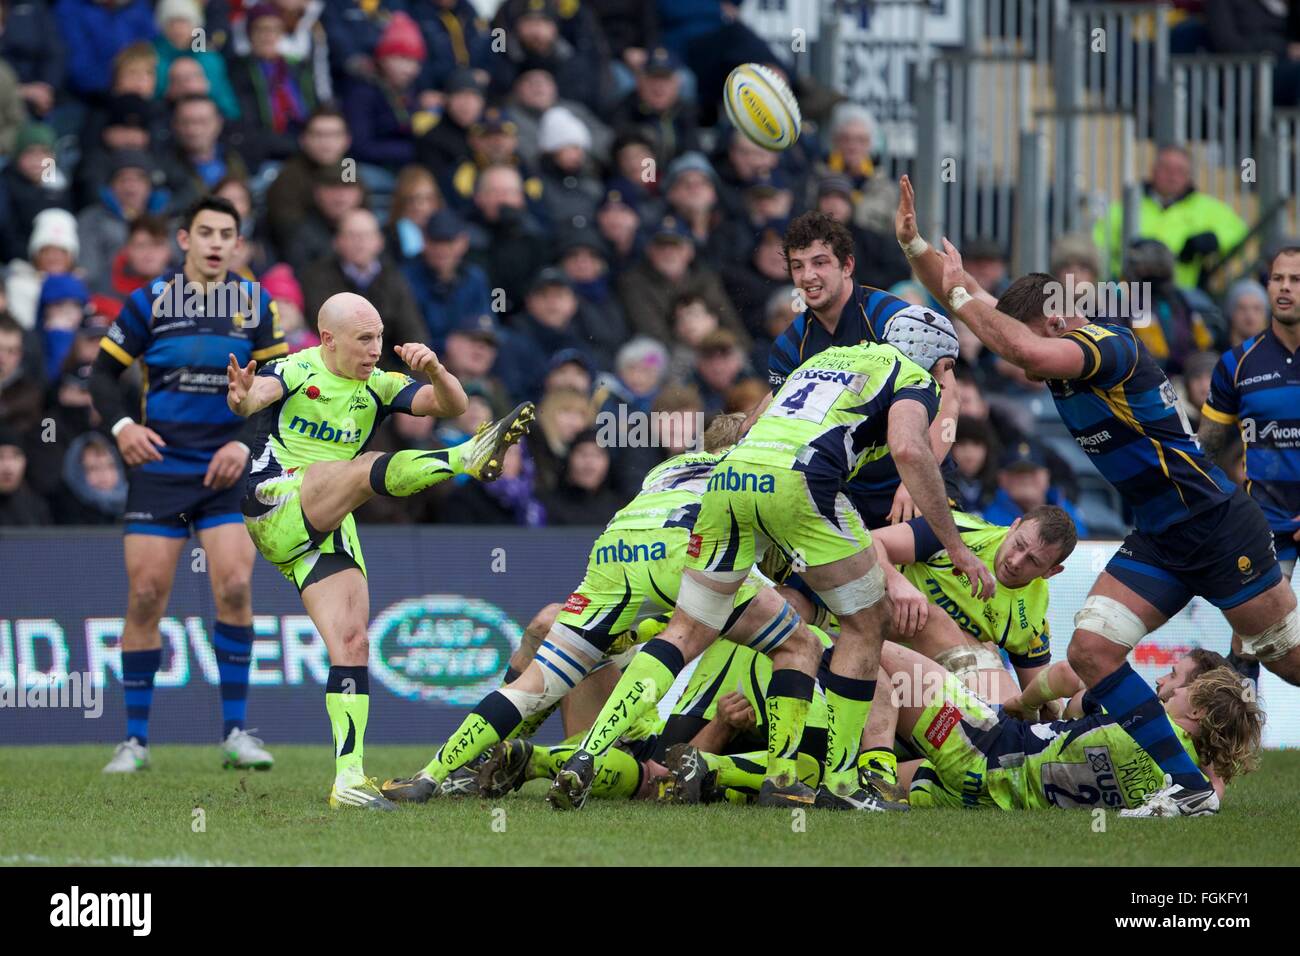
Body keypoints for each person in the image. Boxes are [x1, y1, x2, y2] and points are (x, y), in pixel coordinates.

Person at [900, 173, 1300, 817]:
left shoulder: (1104, 345)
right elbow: (983, 311)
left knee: (1288, 662)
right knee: (1089, 650)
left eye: (1034, 349)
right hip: (1161, 536)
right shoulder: (1054, 339)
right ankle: (1191, 789)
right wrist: (917, 245)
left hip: (1217, 524)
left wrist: (964, 293)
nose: (1027, 372)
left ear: (1057, 320)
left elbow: (1013, 339)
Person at [552, 328, 995, 813]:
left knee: (686, 630)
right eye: (949, 366)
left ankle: (587, 753)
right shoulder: (911, 375)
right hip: (797, 483)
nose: (948, 379)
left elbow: (753, 424)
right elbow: (911, 451)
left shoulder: (820, 359)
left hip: (734, 482)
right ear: (930, 357)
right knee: (865, 624)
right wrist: (955, 549)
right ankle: (841, 782)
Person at [379, 412, 825, 806]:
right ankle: (782, 780)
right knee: (798, 643)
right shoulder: (755, 466)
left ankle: (430, 775)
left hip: (616, 550)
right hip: (686, 550)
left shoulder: (669, 467)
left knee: (535, 683)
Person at [227, 291, 536, 809]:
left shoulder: (379, 384)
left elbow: (453, 405)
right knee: (362, 467)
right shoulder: (296, 368)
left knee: (352, 644)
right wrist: (239, 396)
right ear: (328, 339)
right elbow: (255, 395)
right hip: (275, 500)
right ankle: (466, 456)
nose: (376, 349)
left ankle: (347, 779)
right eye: (364, 339)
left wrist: (436, 369)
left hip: (327, 519)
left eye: (379, 338)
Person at [89, 195, 287, 775]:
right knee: (147, 594)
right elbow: (100, 377)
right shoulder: (149, 301)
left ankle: (234, 733)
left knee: (233, 587)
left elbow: (280, 386)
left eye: (227, 232)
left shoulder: (256, 305)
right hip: (162, 470)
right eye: (206, 232)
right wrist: (123, 426)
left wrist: (242, 445)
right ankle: (135, 742)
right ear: (184, 240)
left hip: (228, 469)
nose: (217, 242)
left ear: (237, 242)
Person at [863, 642, 1258, 813]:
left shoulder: (1144, 717)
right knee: (862, 784)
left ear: (1201, 711)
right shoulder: (1182, 782)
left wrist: (1020, 702)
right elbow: (1214, 791)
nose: (1172, 688)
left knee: (871, 644)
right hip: (986, 797)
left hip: (985, 745)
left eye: (1187, 687)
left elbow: (1071, 672)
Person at [1200, 246, 1300, 687]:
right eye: (1278, 278)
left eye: (1296, 280)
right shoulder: (1236, 363)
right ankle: (1235, 752)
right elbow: (1206, 449)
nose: (1285, 287)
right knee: (1248, 642)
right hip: (1266, 528)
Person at [1093, 145, 1248, 290]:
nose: (1172, 176)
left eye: (1180, 171)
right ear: (1153, 171)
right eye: (1166, 169)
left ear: (1189, 176)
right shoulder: (1124, 208)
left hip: (1184, 294)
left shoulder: (1208, 208)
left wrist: (1215, 239)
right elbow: (1098, 246)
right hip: (1130, 292)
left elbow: (1240, 232)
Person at [298, 208, 424, 372]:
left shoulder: (394, 278)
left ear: (380, 241)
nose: (360, 242)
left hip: (386, 372)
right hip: (334, 371)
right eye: (352, 235)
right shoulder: (317, 277)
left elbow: (412, 333)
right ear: (337, 241)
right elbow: (321, 331)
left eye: (366, 235)